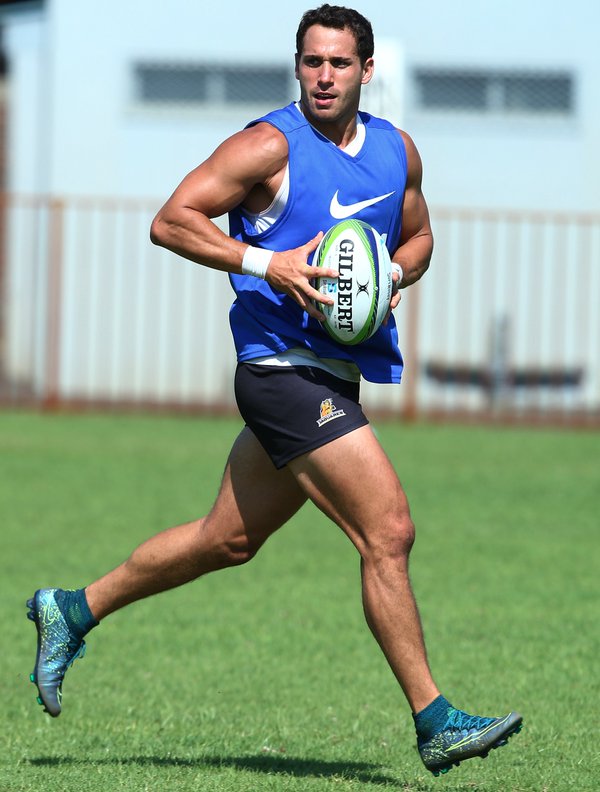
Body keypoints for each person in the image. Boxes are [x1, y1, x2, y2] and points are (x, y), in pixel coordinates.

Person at [26, 4, 522, 777]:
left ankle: (72, 609)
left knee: (226, 539)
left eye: (340, 63)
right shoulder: (268, 145)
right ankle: (435, 720)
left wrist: (391, 273)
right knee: (386, 532)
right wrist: (270, 265)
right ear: (297, 66)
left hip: (334, 376)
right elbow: (171, 220)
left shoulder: (397, 151)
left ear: (367, 68)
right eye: (312, 61)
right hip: (279, 373)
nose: (324, 76)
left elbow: (420, 236)